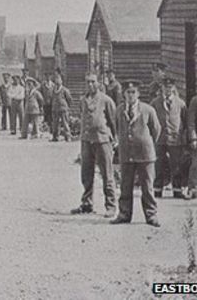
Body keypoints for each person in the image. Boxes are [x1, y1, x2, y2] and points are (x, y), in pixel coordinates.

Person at [111, 81, 162, 227]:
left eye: (133, 92)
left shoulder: (148, 110)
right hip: (127, 153)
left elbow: (156, 130)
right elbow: (116, 128)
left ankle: (151, 215)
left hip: (145, 154)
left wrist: (146, 143)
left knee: (147, 186)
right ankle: (124, 214)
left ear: (138, 94)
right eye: (128, 92)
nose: (130, 95)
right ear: (124, 94)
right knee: (125, 185)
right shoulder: (119, 110)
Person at [71, 73, 118, 217]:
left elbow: (113, 121)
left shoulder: (106, 100)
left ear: (98, 83)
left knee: (107, 174)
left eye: (93, 82)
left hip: (102, 141)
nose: (90, 85)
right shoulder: (83, 100)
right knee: (86, 173)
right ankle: (87, 203)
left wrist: (114, 139)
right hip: (86, 140)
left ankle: (111, 206)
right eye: (87, 82)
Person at [151, 77, 189, 199]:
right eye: (165, 87)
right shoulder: (155, 103)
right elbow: (151, 121)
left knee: (176, 165)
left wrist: (182, 136)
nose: (167, 90)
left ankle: (177, 189)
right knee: (159, 164)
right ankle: (157, 189)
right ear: (161, 88)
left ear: (173, 88)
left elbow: (185, 121)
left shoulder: (180, 103)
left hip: (175, 139)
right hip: (160, 139)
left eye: (169, 87)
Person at [50, 74, 72, 142]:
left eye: (59, 79)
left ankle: (68, 137)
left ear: (61, 81)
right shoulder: (53, 90)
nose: (57, 81)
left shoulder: (65, 90)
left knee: (65, 123)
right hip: (55, 109)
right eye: (56, 79)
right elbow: (52, 98)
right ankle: (55, 137)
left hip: (63, 109)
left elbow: (69, 99)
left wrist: (67, 107)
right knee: (55, 124)